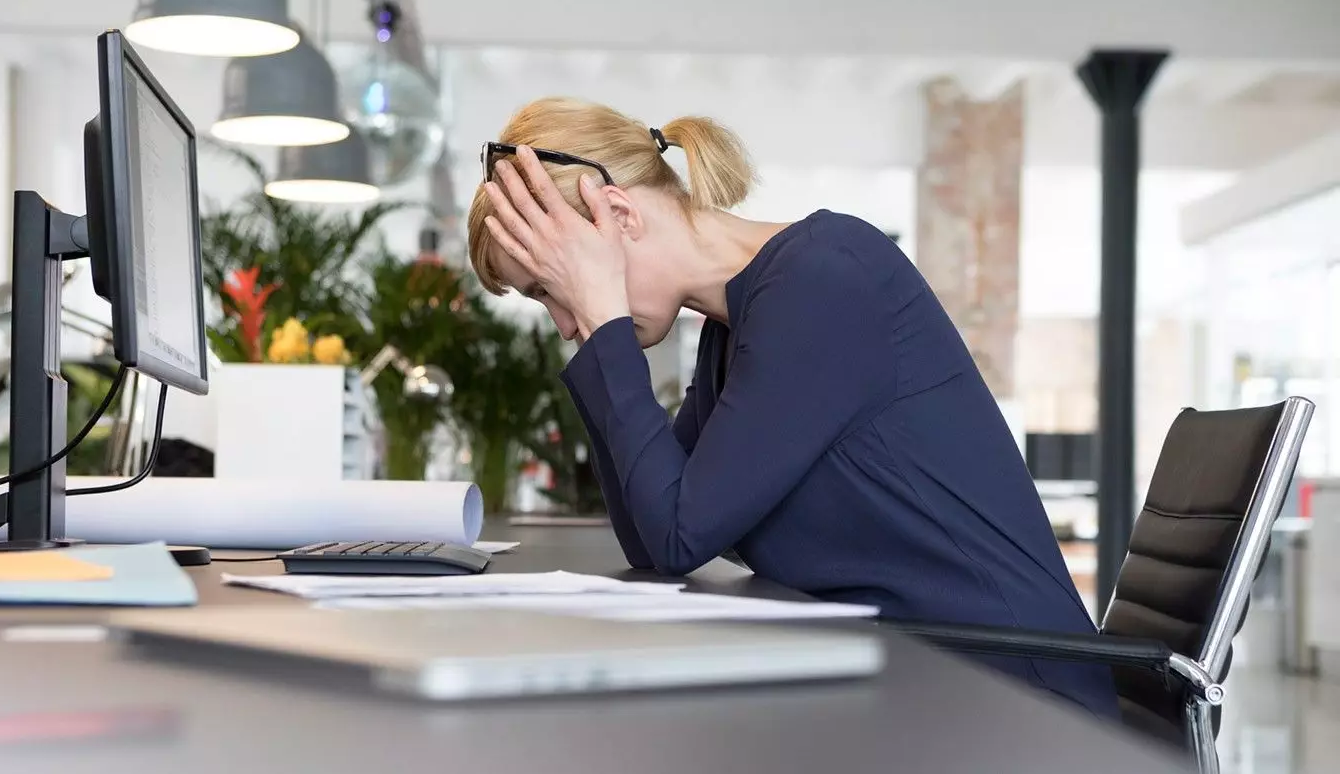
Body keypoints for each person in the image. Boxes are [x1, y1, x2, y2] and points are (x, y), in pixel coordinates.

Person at [468, 96, 1119, 720]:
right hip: (908, 679)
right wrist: (599, 331)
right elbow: (649, 536)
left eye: (555, 287)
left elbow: (675, 536)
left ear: (620, 215)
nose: (564, 320)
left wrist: (603, 317)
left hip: (1012, 700)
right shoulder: (734, 327)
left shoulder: (822, 282)